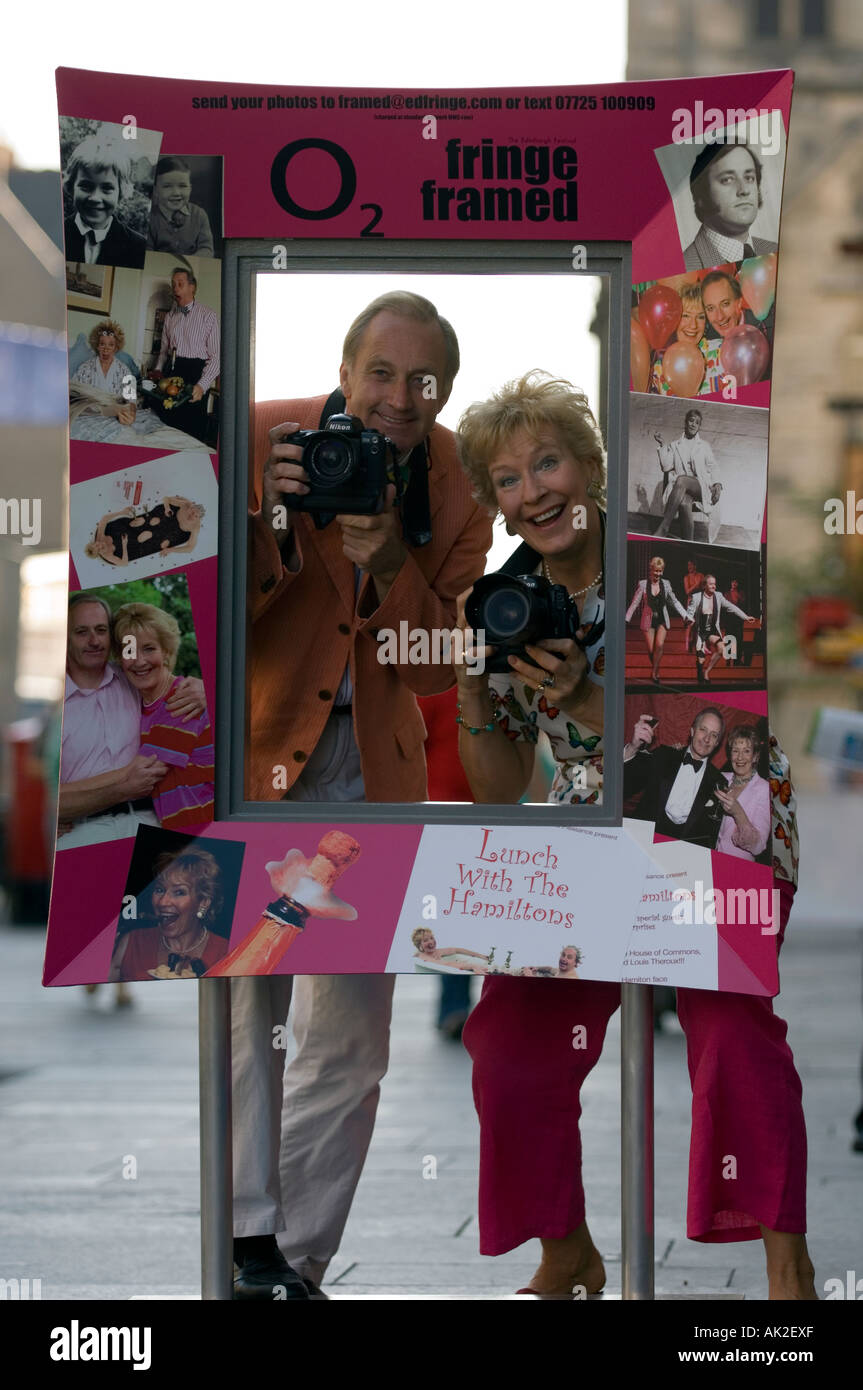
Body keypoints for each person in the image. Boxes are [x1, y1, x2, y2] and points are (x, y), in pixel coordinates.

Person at [232, 290, 493, 1300]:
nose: (395, 398)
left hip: (371, 778)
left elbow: (441, 666)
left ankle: (286, 1263)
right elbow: (203, 605)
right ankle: (248, 1234)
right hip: (259, 760)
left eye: (419, 380)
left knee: (350, 1039)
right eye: (378, 373)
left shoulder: (459, 478)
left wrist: (391, 569)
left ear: (445, 391)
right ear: (344, 373)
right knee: (244, 1010)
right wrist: (272, 519)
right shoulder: (263, 436)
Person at [453, 370, 606, 809]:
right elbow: (499, 793)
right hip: (585, 833)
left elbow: (712, 731)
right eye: (508, 480)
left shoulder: (655, 566)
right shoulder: (503, 608)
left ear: (590, 464)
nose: (534, 493)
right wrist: (471, 691)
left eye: (546, 463)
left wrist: (583, 699)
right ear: (497, 502)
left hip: (707, 812)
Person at [58, 593, 205, 849]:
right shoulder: (50, 702)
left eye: (101, 630)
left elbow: (163, 678)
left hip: (149, 823)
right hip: (79, 834)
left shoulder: (136, 681)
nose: (93, 641)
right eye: (81, 632)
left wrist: (209, 689)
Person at [113, 602, 214, 831]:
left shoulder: (181, 701)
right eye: (129, 650)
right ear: (119, 658)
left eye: (149, 649)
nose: (139, 661)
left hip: (203, 832)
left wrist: (73, 808)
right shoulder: (139, 705)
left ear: (166, 651)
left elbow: (137, 776)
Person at [109, 847, 227, 981]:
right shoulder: (130, 943)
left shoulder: (226, 952)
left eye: (179, 892)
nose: (163, 902)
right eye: (159, 890)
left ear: (203, 902)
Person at [623, 706, 726, 848]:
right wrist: (633, 747)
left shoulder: (719, 782)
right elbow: (625, 785)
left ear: (717, 743)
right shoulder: (664, 755)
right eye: (703, 729)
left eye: (714, 735)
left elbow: (710, 836)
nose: (707, 739)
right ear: (692, 731)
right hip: (642, 841)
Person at [682, 142, 777, 271]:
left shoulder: (775, 250)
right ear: (702, 195)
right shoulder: (685, 267)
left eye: (749, 178)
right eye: (727, 180)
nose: (744, 190)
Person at [149, 268, 220, 442]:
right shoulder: (170, 317)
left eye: (180, 284)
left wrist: (202, 386)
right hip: (171, 372)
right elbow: (164, 351)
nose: (175, 288)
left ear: (192, 287)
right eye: (173, 284)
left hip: (195, 375)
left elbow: (217, 357)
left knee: (189, 431)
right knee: (165, 426)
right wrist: (157, 370)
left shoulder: (208, 316)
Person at [63, 132, 148, 270]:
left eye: (107, 188)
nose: (95, 198)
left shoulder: (137, 247)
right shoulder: (57, 235)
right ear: (71, 186)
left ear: (121, 192)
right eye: (86, 186)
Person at [653, 408, 722, 541]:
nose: (693, 424)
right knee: (684, 503)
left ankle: (664, 527)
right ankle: (688, 543)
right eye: (691, 420)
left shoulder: (704, 446)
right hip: (681, 489)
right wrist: (662, 445)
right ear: (685, 422)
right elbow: (666, 467)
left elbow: (714, 467)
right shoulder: (675, 445)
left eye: (697, 422)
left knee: (681, 480)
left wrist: (717, 484)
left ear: (699, 427)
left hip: (700, 487)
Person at [85, 496, 205, 567]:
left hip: (174, 529)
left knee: (153, 525)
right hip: (126, 545)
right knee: (145, 538)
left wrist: (122, 512)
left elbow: (104, 519)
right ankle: (149, 531)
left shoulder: (195, 526)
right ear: (100, 553)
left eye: (96, 544)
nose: (99, 544)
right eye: (99, 548)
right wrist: (124, 544)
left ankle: (146, 524)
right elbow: (124, 563)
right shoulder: (108, 554)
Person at [650, 282, 722, 397]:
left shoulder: (722, 351)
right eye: (686, 316)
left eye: (700, 317)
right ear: (674, 319)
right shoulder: (659, 369)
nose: (693, 325)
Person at [625, 555, 688, 684]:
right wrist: (626, 619)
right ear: (651, 570)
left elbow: (674, 601)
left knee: (659, 645)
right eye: (656, 570)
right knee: (651, 650)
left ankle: (654, 673)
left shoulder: (666, 584)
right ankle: (656, 669)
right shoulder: (643, 584)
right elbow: (634, 603)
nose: (658, 573)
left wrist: (685, 615)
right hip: (648, 620)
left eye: (660, 571)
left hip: (662, 620)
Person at [685, 573, 756, 684]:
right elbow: (689, 613)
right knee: (701, 660)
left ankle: (707, 672)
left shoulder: (718, 596)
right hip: (700, 631)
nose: (714, 586)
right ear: (704, 586)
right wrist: (688, 619)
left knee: (722, 649)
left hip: (712, 630)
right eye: (711, 584)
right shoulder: (697, 597)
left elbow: (731, 607)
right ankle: (700, 671)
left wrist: (745, 617)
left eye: (715, 584)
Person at [715, 723, 771, 861]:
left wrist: (738, 812)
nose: (740, 757)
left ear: (755, 756)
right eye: (735, 750)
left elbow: (759, 846)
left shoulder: (765, 789)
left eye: (746, 751)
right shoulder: (720, 778)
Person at [70, 321, 137, 424]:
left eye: (111, 345)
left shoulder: (124, 370)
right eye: (102, 344)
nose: (106, 349)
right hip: (89, 416)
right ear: (97, 346)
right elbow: (73, 395)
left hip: (116, 417)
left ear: (116, 348)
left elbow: (132, 400)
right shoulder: (85, 367)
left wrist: (131, 415)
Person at [147, 157, 214, 257]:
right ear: (156, 190)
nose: (176, 193)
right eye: (167, 186)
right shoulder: (149, 218)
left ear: (190, 189)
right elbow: (148, 254)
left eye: (182, 186)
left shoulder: (199, 215)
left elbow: (207, 249)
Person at [683, 556, 704, 653]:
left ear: (695, 566)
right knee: (690, 623)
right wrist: (696, 585)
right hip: (690, 601)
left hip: (700, 601)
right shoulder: (686, 577)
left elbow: (704, 588)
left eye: (691, 565)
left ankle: (697, 643)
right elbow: (687, 591)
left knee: (699, 623)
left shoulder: (700, 575)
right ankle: (687, 643)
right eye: (688, 565)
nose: (689, 567)